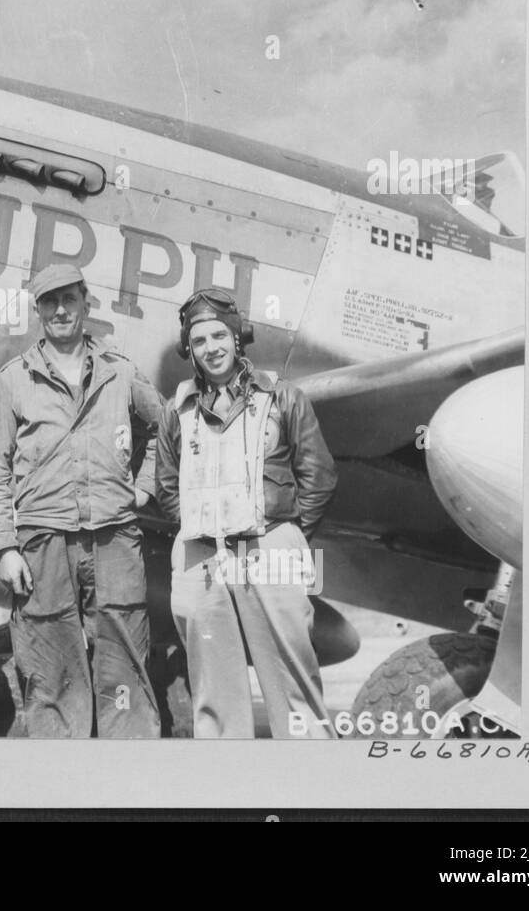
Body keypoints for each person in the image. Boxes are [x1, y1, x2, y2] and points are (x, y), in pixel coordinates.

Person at [0, 264, 164, 738]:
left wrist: (143, 487)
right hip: (43, 542)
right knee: (50, 673)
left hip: (115, 537)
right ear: (38, 310)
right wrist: (4, 547)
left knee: (125, 666)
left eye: (69, 299)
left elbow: (168, 431)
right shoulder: (12, 380)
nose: (60, 310)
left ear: (85, 301)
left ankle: (131, 788)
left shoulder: (121, 373)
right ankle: (62, 788)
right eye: (49, 302)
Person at [153, 287, 338, 739]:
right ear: (189, 350)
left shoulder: (284, 397)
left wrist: (286, 536)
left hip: (269, 548)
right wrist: (201, 525)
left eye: (219, 336)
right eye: (199, 341)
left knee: (294, 683)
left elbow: (319, 476)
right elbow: (166, 485)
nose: (211, 348)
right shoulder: (177, 410)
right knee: (213, 695)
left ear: (237, 340)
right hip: (201, 557)